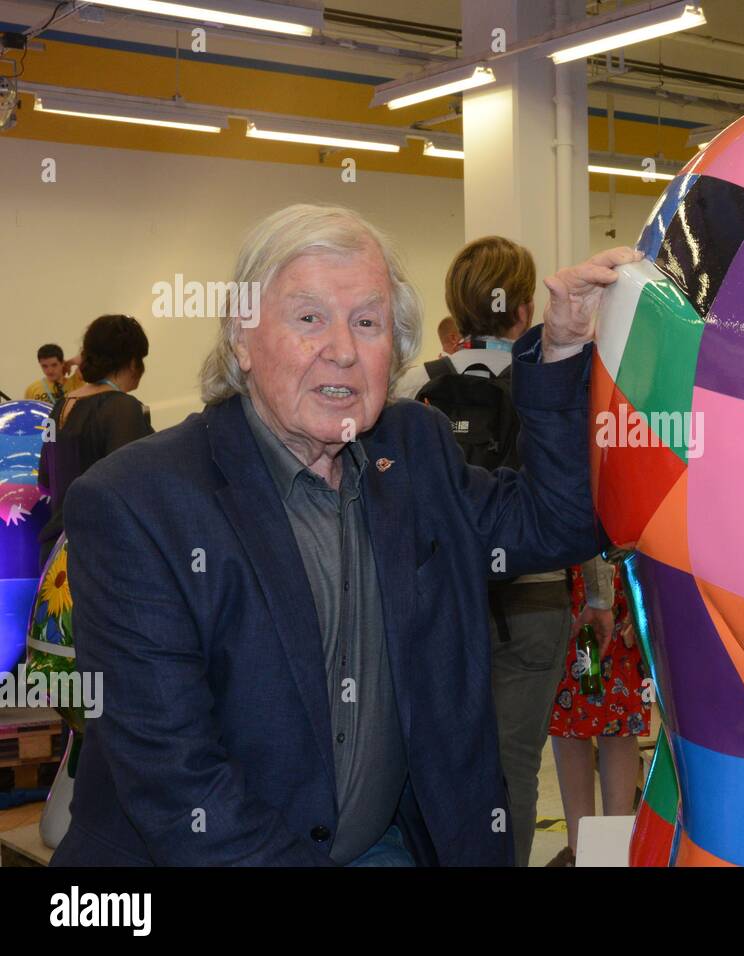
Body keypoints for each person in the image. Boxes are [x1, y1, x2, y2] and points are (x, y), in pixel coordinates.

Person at [51, 203, 640, 866]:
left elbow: (559, 522)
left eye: (368, 321)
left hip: (386, 842)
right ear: (241, 340)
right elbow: (181, 788)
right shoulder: (137, 506)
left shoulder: (412, 450)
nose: (342, 348)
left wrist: (561, 350)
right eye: (308, 318)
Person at [419, 235, 593, 867]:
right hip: (536, 600)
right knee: (514, 768)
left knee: (446, 765)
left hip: (444, 605)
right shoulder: (547, 385)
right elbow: (577, 498)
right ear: (523, 309)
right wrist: (597, 595)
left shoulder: (421, 392)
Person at [545, 556, 651, 867]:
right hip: (569, 575)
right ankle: (578, 852)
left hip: (618, 571)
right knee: (567, 718)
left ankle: (615, 847)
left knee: (620, 719)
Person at [37, 316, 151, 567]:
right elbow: (134, 489)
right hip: (102, 557)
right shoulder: (123, 408)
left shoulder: (60, 407)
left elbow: (44, 484)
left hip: (56, 561)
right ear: (132, 361)